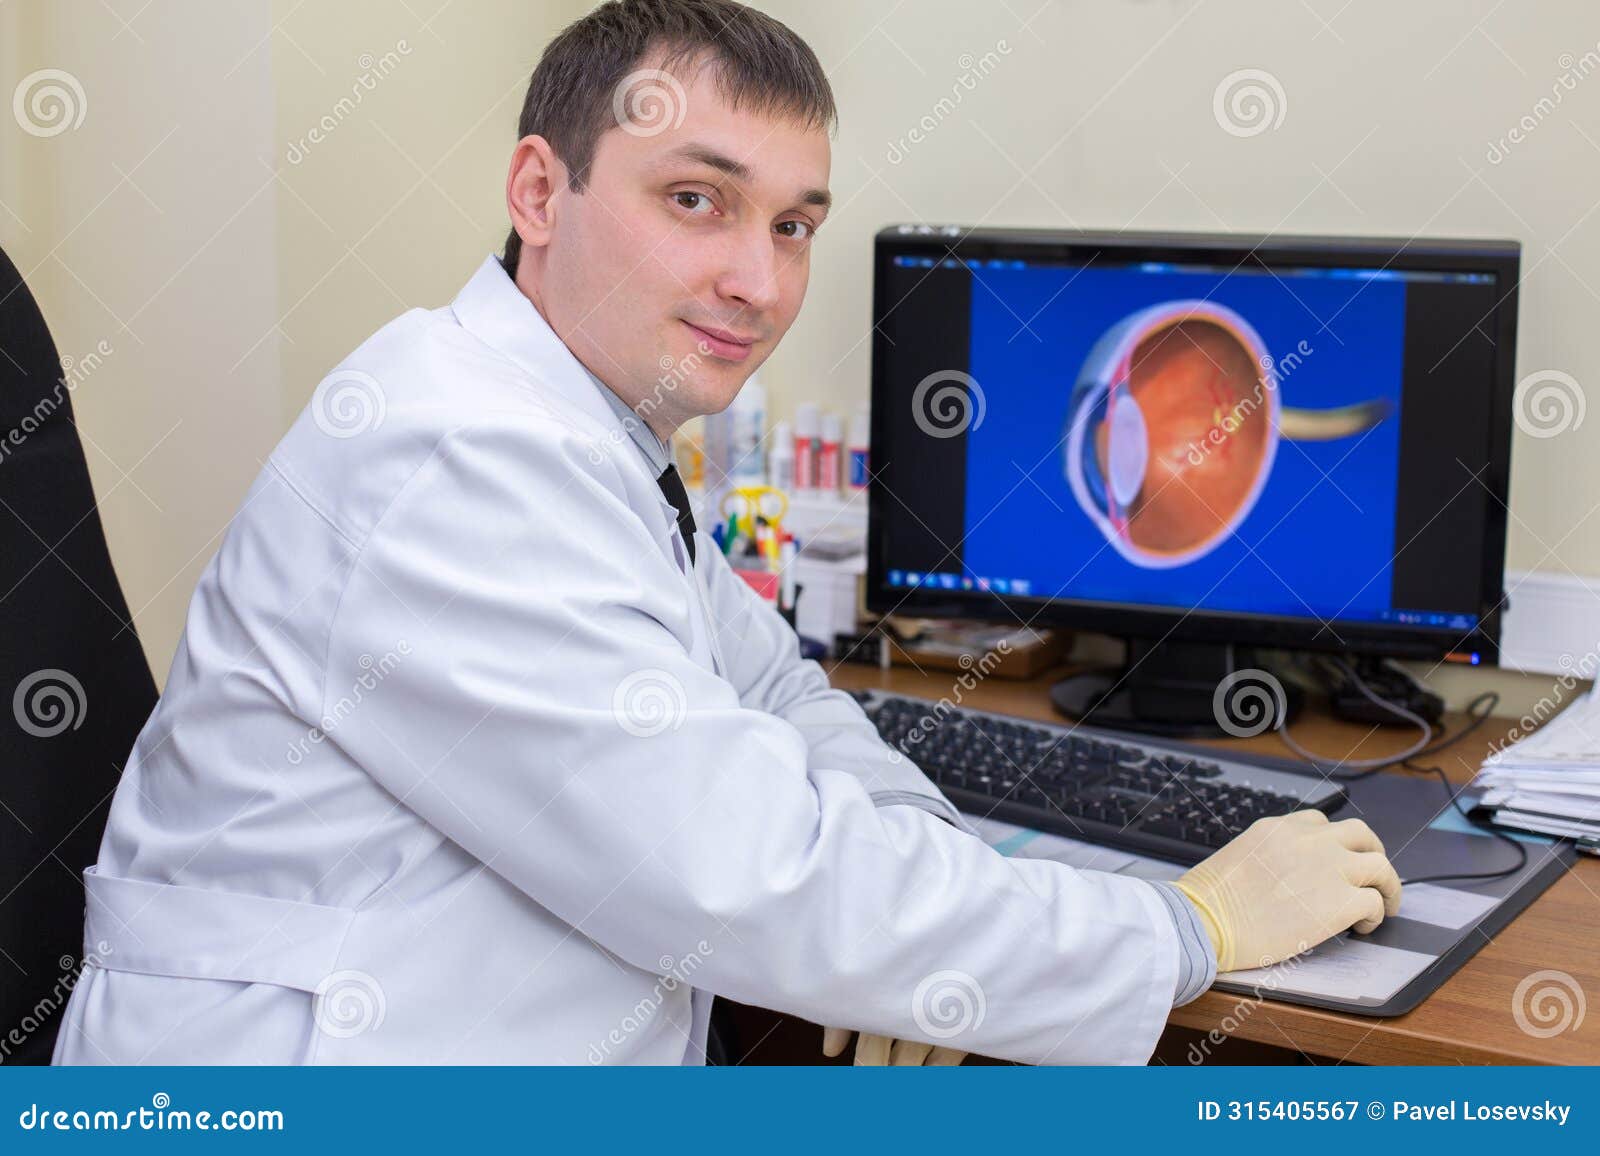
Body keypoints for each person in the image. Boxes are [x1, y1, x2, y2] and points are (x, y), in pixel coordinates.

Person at [53, 0, 1400, 1067]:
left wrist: (919, 936)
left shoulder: (589, 433)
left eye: (795, 223)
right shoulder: (453, 453)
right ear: (539, 191)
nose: (760, 283)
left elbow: (775, 695)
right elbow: (756, 881)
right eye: (697, 199)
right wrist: (1192, 925)